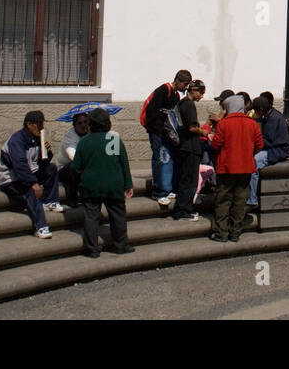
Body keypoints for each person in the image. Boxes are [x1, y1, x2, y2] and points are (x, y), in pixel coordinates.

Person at [71, 109, 134, 257]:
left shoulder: (84, 142)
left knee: (91, 217)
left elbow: (75, 167)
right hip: (114, 184)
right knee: (118, 215)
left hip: (91, 185)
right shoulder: (114, 139)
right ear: (108, 124)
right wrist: (128, 184)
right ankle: (121, 245)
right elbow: (124, 163)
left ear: (90, 124)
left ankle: (92, 249)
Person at [205, 94, 263, 242]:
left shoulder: (224, 124)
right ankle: (235, 232)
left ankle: (221, 233)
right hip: (246, 167)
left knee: (223, 200)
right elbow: (259, 145)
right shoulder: (252, 123)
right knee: (240, 201)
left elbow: (215, 145)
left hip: (227, 167)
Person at [0, 110, 63, 239]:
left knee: (52, 169)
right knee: (31, 191)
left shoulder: (37, 138)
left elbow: (41, 164)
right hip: (11, 179)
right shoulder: (17, 141)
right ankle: (41, 226)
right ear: (29, 124)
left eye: (42, 124)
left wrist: (47, 153)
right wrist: (33, 183)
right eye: (39, 125)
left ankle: (50, 201)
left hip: (29, 174)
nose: (41, 128)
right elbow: (20, 166)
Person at [143, 70, 188, 207]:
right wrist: (159, 129)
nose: (185, 88)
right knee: (161, 159)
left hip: (167, 133)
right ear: (178, 81)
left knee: (169, 160)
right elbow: (151, 113)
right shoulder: (163, 91)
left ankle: (167, 188)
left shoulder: (175, 95)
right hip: (158, 133)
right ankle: (159, 192)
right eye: (185, 84)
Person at [249, 92, 289, 208]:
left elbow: (267, 140)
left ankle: (252, 200)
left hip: (278, 150)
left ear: (261, 109)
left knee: (253, 164)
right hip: (272, 147)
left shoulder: (273, 118)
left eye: (256, 110)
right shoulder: (269, 115)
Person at [172, 79, 206, 220]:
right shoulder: (189, 105)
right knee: (190, 180)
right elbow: (192, 128)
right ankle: (183, 210)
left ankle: (181, 208)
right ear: (193, 90)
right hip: (191, 147)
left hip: (183, 146)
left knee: (185, 178)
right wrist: (203, 132)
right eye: (201, 92)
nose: (202, 96)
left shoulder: (181, 103)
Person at [56, 112, 90, 206]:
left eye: (85, 122)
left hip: (84, 167)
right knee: (74, 166)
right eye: (79, 123)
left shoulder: (90, 134)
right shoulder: (69, 136)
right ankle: (71, 198)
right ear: (74, 126)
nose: (83, 125)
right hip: (65, 169)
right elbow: (73, 157)